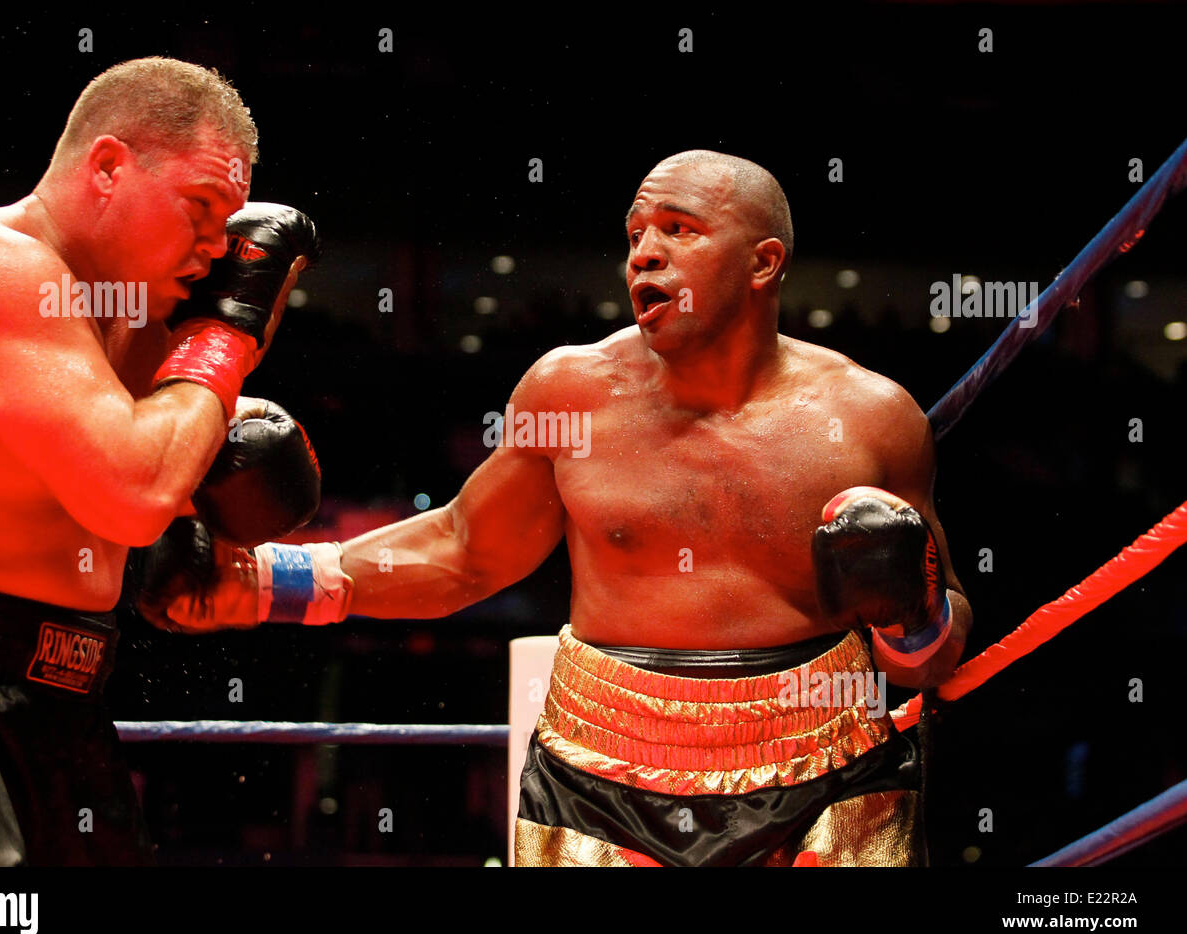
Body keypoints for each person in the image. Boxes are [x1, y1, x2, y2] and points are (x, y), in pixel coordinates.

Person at [138, 149, 972, 866]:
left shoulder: (869, 417)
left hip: (823, 761)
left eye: (679, 230)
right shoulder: (572, 392)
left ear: (763, 263)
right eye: (637, 235)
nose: (645, 254)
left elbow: (931, 658)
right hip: (603, 769)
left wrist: (913, 613)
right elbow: (466, 548)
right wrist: (256, 585)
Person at [0, 57, 321, 865]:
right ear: (109, 167)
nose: (210, 247)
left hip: (65, 699)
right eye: (198, 208)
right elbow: (133, 492)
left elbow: (170, 470)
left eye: (226, 226)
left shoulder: (135, 309)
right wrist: (227, 337)